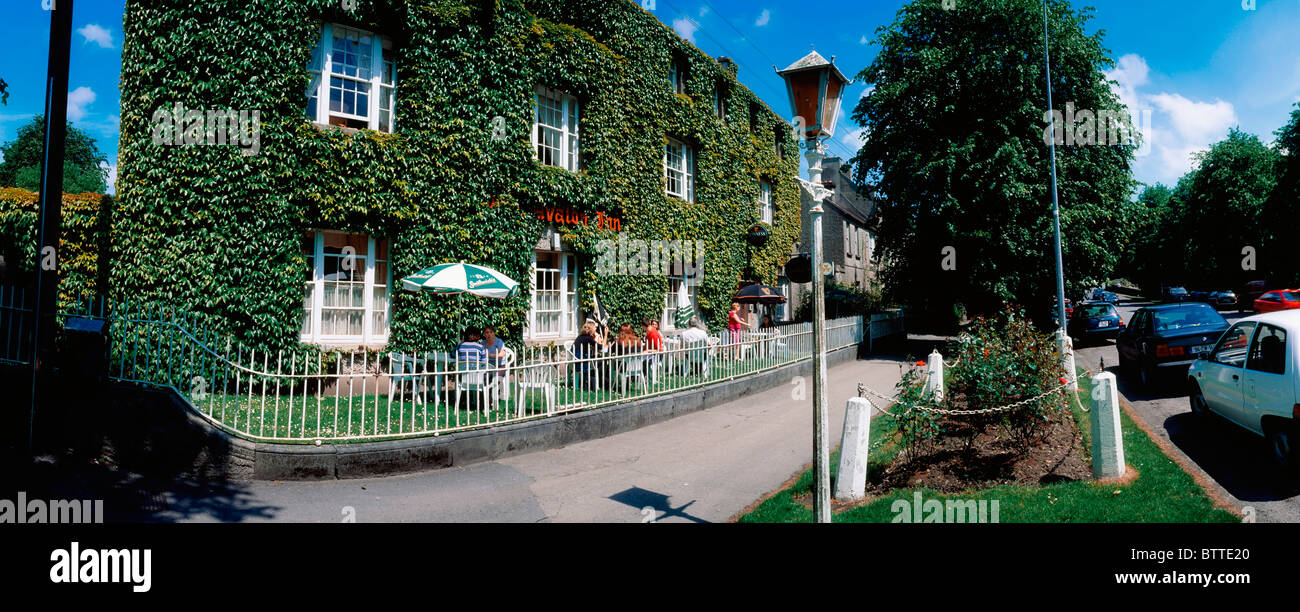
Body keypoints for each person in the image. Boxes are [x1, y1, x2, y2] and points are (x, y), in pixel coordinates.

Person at [572, 321, 602, 389]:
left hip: (576, 357)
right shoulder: (588, 338)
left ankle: (588, 383)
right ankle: (594, 384)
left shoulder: (580, 336)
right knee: (598, 363)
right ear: (591, 331)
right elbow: (599, 346)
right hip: (580, 359)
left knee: (594, 361)